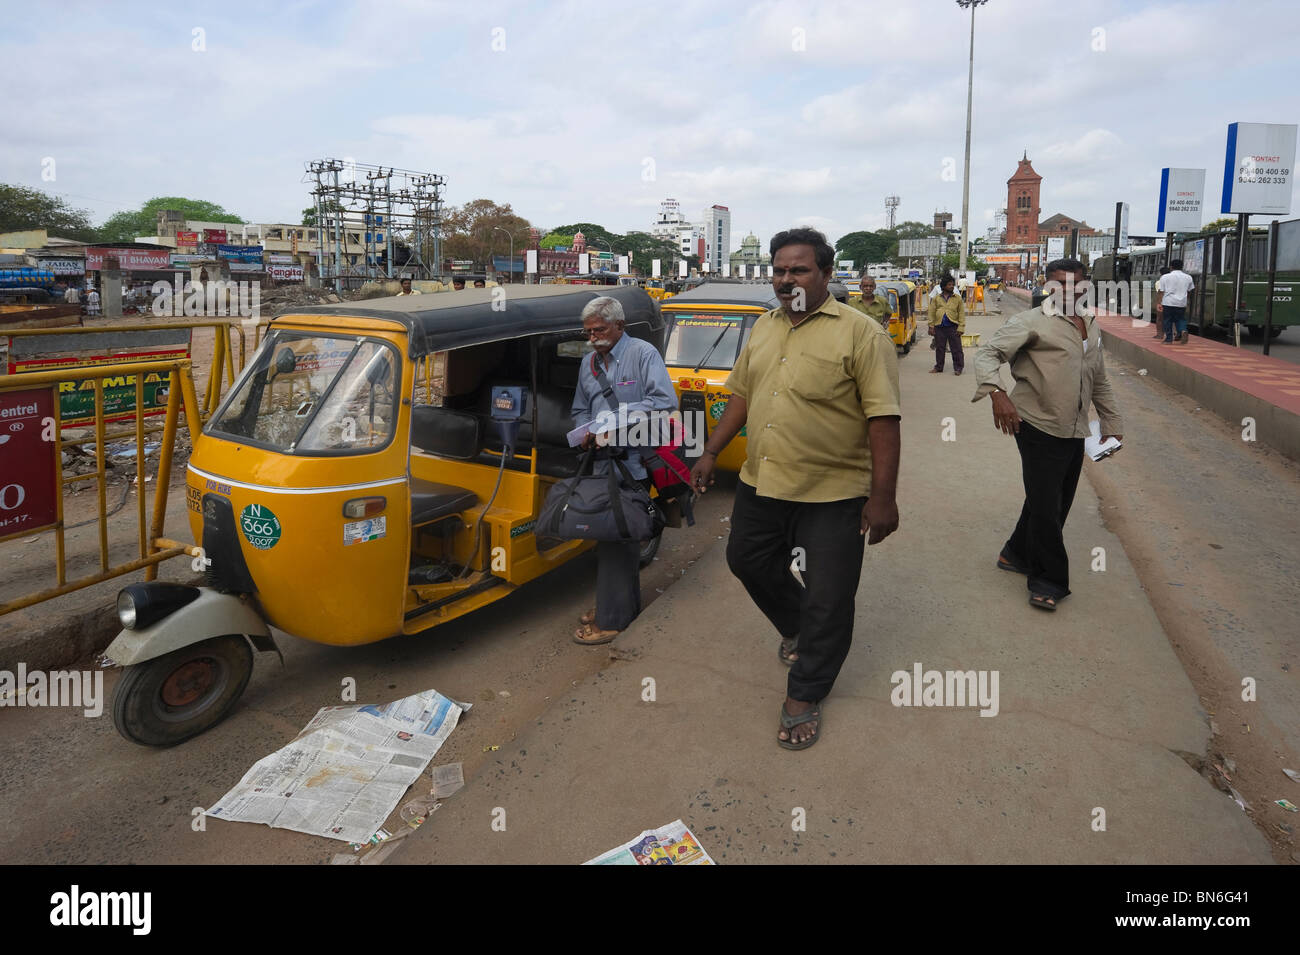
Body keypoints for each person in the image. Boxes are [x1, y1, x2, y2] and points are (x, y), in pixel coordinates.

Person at [690, 227, 901, 751]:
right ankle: (797, 625)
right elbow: (741, 395)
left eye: (799, 269)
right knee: (746, 559)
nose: (787, 280)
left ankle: (805, 692)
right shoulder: (763, 328)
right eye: (780, 270)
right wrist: (712, 451)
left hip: (834, 489)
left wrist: (883, 497)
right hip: (764, 481)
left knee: (830, 596)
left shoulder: (861, 334)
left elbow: (883, 419)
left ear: (826, 274)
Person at [972, 258, 1124, 612]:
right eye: (1058, 283)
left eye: (1075, 283)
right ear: (1047, 285)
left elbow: (1098, 377)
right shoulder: (1031, 322)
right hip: (1036, 424)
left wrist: (1112, 423)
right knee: (1048, 508)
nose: (1067, 290)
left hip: (1074, 427)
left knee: (1053, 499)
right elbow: (988, 353)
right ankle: (1047, 580)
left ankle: (1015, 553)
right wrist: (997, 394)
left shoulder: (1089, 323)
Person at [570, 295, 677, 646]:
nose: (593, 337)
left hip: (633, 463)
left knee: (620, 536)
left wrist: (617, 424)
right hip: (598, 461)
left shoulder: (643, 354)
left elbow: (664, 403)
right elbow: (579, 409)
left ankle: (612, 620)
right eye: (588, 332)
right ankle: (618, 605)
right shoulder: (588, 363)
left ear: (620, 326)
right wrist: (586, 432)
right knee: (611, 536)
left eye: (599, 329)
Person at [928, 274, 965, 375]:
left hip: (953, 326)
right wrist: (931, 326)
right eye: (949, 285)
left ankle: (958, 368)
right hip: (939, 326)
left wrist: (961, 327)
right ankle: (939, 367)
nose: (952, 286)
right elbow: (931, 312)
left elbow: (961, 313)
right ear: (944, 286)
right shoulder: (936, 298)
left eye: (953, 285)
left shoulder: (957, 298)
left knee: (956, 348)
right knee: (940, 348)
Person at [1160, 258, 1195, 344]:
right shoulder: (1188, 277)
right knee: (1180, 319)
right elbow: (1190, 290)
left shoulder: (1165, 277)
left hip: (1168, 302)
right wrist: (1187, 299)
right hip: (1181, 303)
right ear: (1182, 267)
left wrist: (1158, 302)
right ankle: (1183, 331)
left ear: (1171, 267)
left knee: (1167, 320)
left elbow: (1161, 291)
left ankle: (1168, 339)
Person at [1151, 265, 1171, 339]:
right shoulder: (1175, 281)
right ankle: (1175, 334)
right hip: (1173, 302)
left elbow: (1160, 293)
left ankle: (1160, 334)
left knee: (1160, 319)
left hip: (1163, 302)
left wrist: (1159, 303)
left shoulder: (1159, 282)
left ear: (1161, 273)